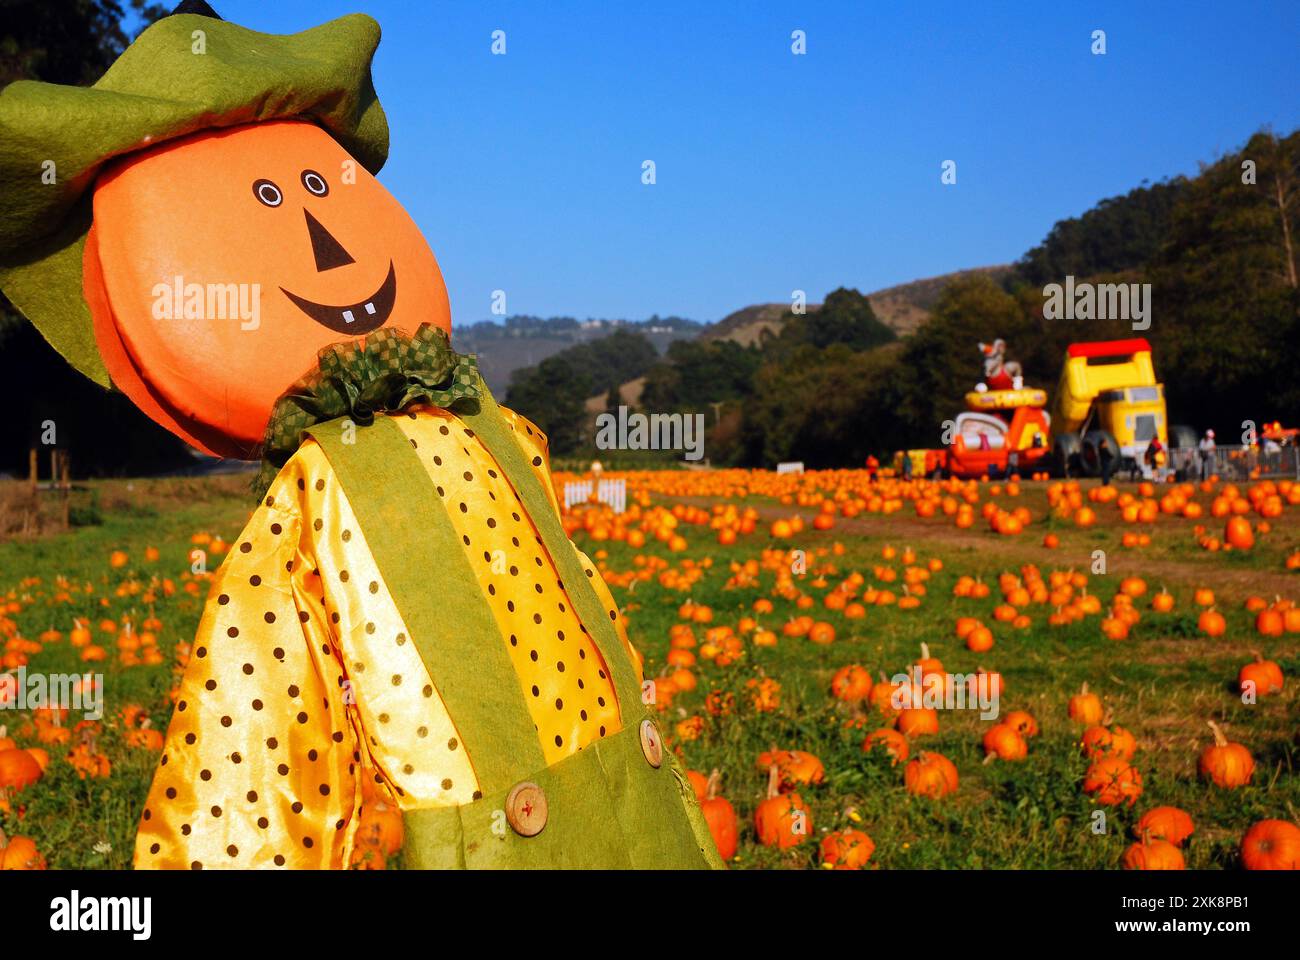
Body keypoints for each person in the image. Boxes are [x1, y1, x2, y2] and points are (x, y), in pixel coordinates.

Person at [0, 7, 719, 870]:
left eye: (314, 187)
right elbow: (259, 716)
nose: (322, 236)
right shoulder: (321, 488)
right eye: (264, 199)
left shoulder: (500, 431)